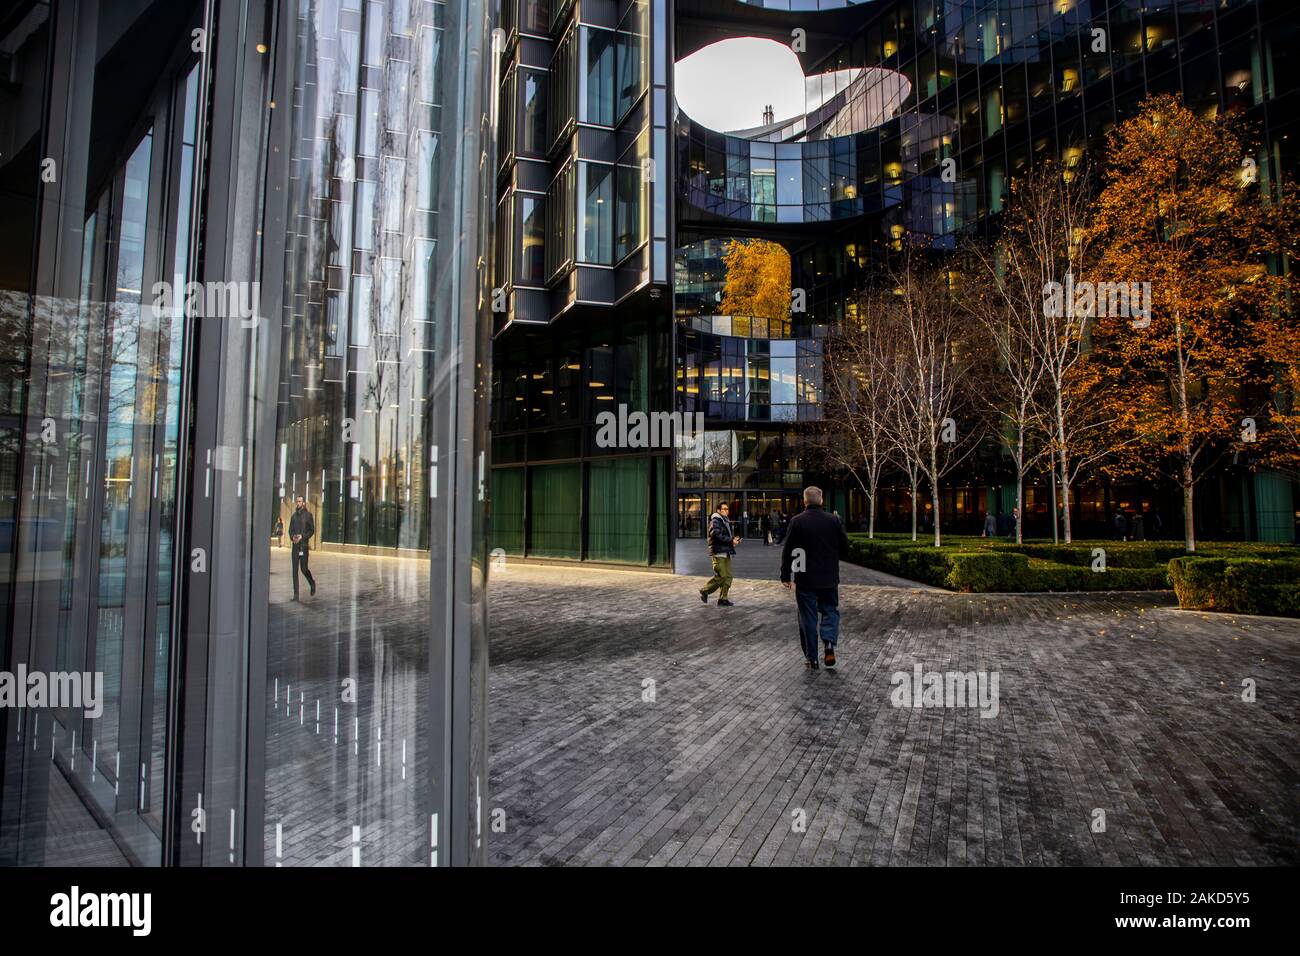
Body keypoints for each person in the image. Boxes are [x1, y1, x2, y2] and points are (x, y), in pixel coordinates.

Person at [780, 486, 849, 671]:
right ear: (821, 501)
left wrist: (785, 575)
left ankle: (812, 658)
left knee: (807, 617)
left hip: (805, 578)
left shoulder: (797, 521)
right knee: (830, 611)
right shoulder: (834, 520)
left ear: (804, 501)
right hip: (829, 577)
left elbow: (788, 551)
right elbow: (845, 548)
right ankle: (829, 644)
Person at [699, 501, 740, 607]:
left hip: (726, 552)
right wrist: (731, 541)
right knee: (722, 576)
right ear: (718, 510)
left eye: (727, 509)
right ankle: (705, 591)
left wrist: (733, 542)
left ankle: (723, 599)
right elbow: (716, 535)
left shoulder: (725, 521)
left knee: (728, 576)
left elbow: (724, 537)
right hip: (718, 552)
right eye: (724, 509)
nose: (727, 511)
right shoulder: (716, 520)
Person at [288, 495, 317, 601]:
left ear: (304, 503)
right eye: (297, 501)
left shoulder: (308, 515)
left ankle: (312, 582)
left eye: (300, 501)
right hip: (295, 547)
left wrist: (302, 537)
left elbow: (312, 530)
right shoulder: (293, 516)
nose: (298, 503)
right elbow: (290, 530)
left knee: (303, 569)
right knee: (294, 570)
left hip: (303, 547)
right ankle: (296, 595)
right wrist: (292, 537)